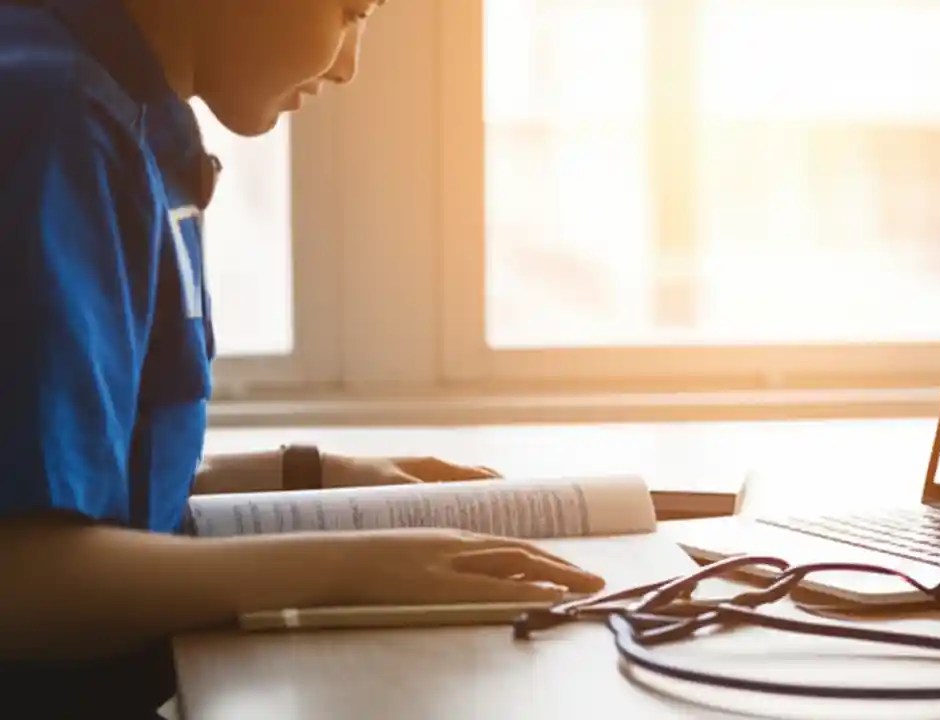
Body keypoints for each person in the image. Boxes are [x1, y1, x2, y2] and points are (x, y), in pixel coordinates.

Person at [0, 1, 606, 716]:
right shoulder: (55, 118)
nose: (349, 65)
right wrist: (353, 569)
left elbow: (76, 482)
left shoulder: (132, 110)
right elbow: (25, 576)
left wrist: (308, 476)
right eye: (352, 11)